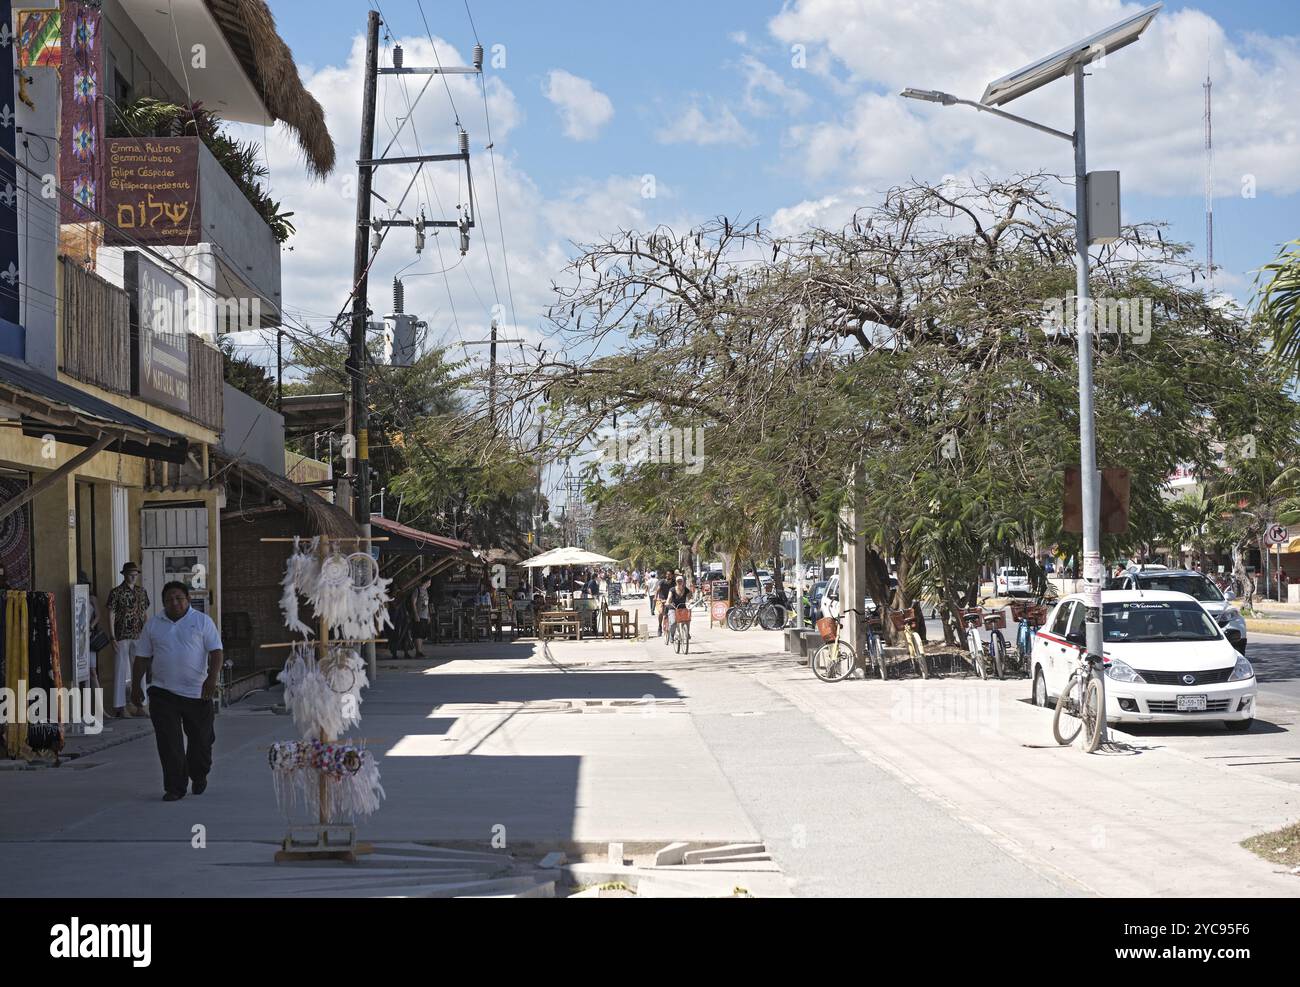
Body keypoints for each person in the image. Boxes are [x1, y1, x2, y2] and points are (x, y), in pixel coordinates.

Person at [130, 581, 223, 801]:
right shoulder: (153, 625)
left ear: (188, 600)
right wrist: (136, 686)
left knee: (201, 742)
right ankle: (175, 787)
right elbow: (142, 658)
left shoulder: (202, 621)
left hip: (198, 693)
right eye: (169, 599)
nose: (174, 602)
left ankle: (199, 775)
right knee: (169, 743)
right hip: (163, 693)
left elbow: (216, 651)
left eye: (179, 598)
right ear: (163, 603)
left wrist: (212, 678)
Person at [107, 562, 150, 719]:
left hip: (138, 635)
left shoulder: (141, 592)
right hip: (121, 634)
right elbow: (111, 614)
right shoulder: (116, 592)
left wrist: (146, 632)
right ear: (124, 574)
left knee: (139, 671)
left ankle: (140, 704)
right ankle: (120, 706)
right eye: (130, 573)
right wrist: (112, 636)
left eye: (135, 573)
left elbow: (145, 613)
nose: (133, 576)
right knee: (120, 669)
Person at [665, 575, 690, 642]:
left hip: (682, 608)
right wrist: (667, 602)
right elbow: (669, 597)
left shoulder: (686, 590)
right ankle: (672, 635)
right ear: (676, 582)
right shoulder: (672, 590)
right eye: (678, 581)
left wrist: (691, 601)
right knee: (673, 622)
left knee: (687, 620)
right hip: (673, 608)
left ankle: (687, 633)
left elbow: (690, 597)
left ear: (683, 582)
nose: (679, 582)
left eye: (681, 581)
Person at [412, 579, 431, 657]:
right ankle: (418, 651)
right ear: (426, 582)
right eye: (429, 582)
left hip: (425, 615)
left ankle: (420, 650)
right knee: (418, 633)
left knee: (422, 634)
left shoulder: (426, 591)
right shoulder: (417, 590)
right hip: (419, 615)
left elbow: (427, 604)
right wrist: (415, 614)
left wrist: (428, 615)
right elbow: (413, 602)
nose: (430, 583)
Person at [656, 569, 675, 636]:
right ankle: (659, 627)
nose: (667, 576)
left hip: (670, 600)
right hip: (662, 599)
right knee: (661, 612)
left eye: (669, 574)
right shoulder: (662, 582)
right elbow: (657, 590)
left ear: (672, 575)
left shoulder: (674, 582)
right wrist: (655, 597)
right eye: (667, 574)